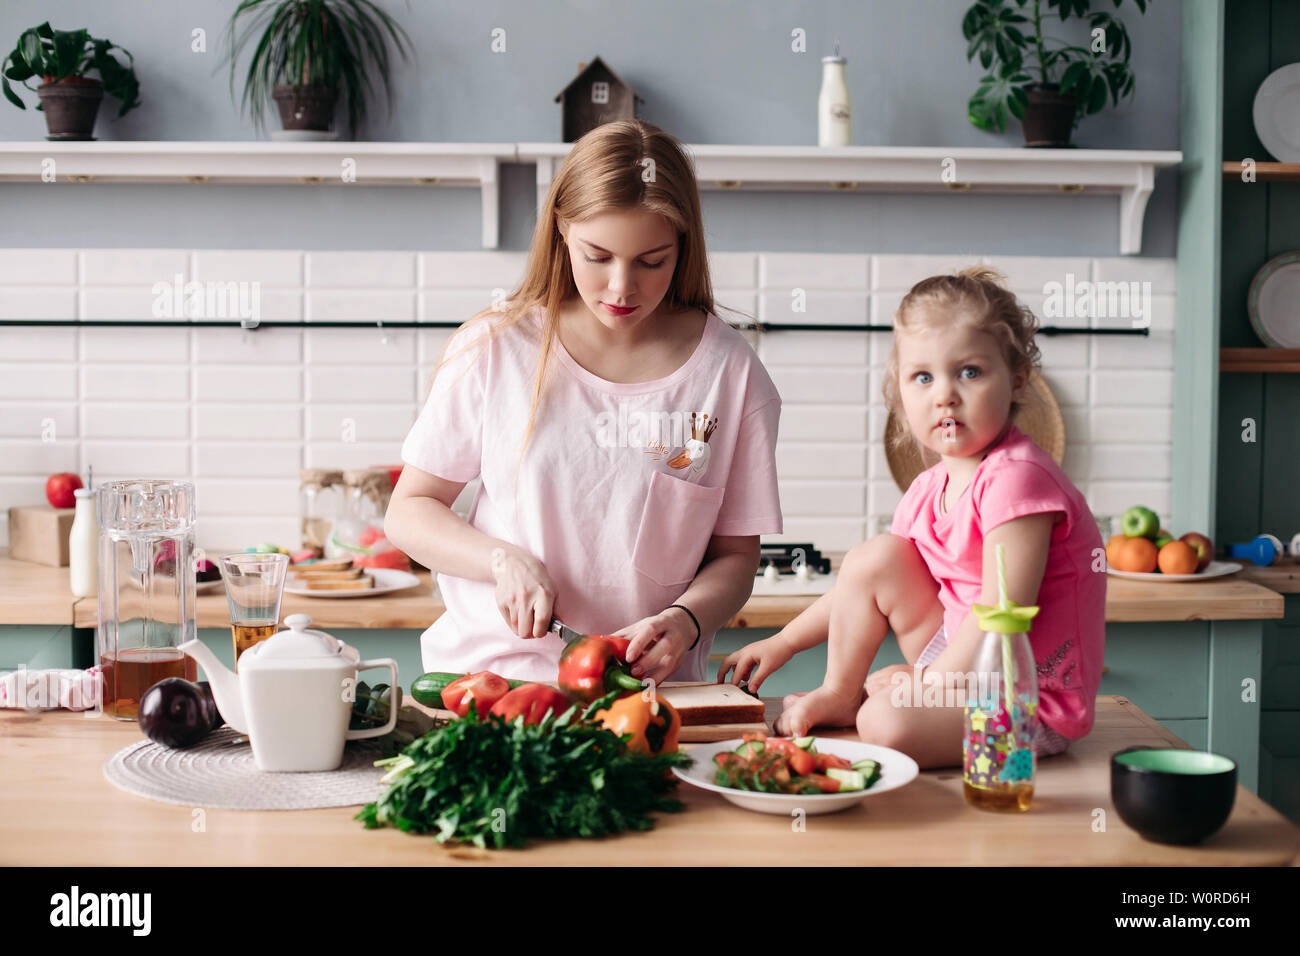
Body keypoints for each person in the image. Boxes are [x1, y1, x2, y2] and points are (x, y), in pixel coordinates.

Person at [387, 120, 783, 687]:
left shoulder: (730, 372)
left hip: (647, 696)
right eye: (597, 256)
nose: (622, 288)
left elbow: (736, 558)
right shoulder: (497, 349)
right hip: (493, 681)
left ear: (684, 248)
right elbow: (410, 509)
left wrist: (686, 620)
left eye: (652, 261)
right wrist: (501, 560)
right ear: (561, 232)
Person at [718, 266, 1105, 768]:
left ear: (1017, 379)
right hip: (962, 664)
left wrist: (923, 684)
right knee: (875, 556)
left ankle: (878, 705)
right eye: (923, 377)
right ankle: (840, 691)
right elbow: (859, 585)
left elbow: (998, 613)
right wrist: (786, 641)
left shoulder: (1018, 479)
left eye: (969, 371)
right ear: (901, 392)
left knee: (885, 721)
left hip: (1025, 697)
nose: (944, 393)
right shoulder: (927, 490)